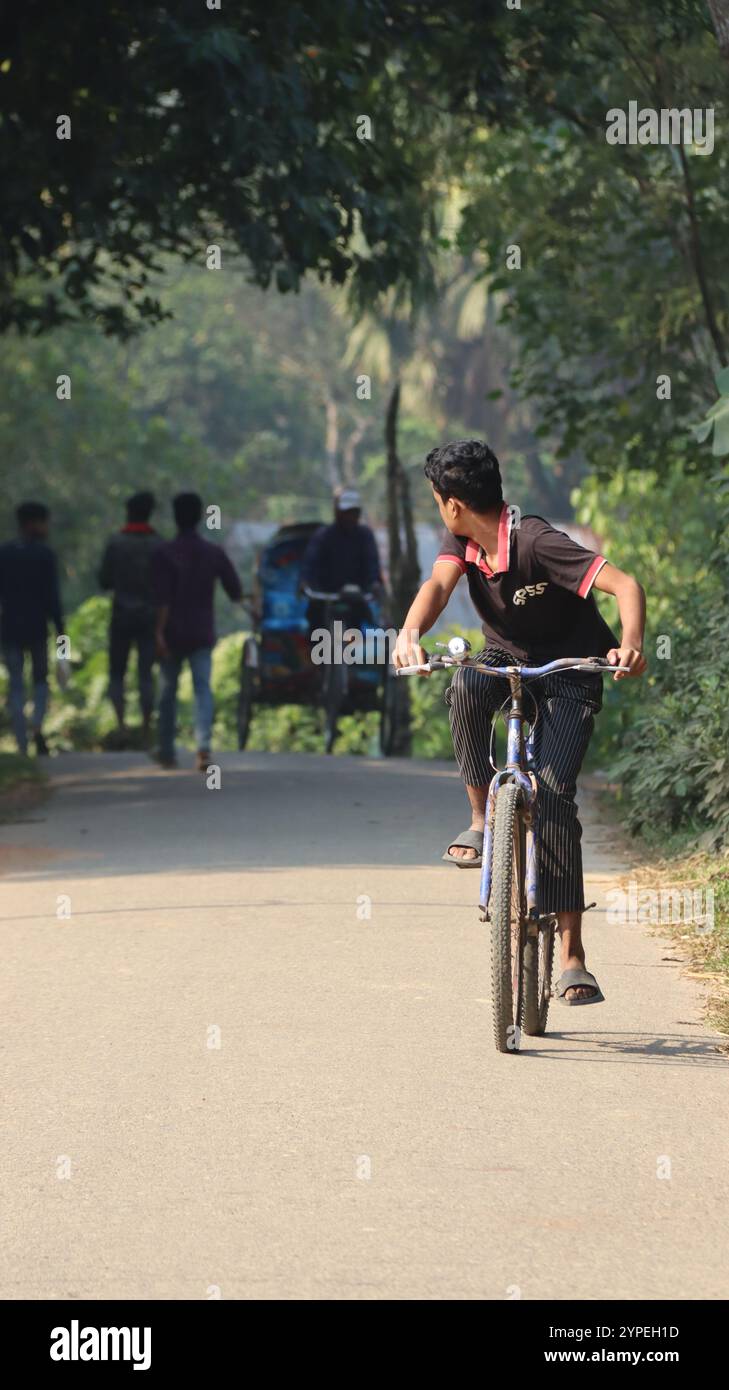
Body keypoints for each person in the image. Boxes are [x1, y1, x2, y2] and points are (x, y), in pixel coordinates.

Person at [393, 438, 647, 1005]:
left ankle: (572, 956)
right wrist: (409, 635)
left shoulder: (535, 541)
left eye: (437, 499)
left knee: (555, 796)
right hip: (506, 657)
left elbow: (626, 585)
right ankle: (482, 819)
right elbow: (437, 586)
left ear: (452, 502)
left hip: (570, 668)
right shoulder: (461, 541)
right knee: (465, 683)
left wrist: (629, 646)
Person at [152, 492, 242, 770]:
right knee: (202, 689)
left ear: (175, 517)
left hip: (172, 632)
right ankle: (203, 747)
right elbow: (235, 591)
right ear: (201, 516)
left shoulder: (164, 553)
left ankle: (166, 750)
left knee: (168, 691)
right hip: (202, 632)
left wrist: (158, 632)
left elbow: (162, 599)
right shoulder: (213, 553)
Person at [0, 502, 64, 756]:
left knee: (16, 684)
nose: (47, 527)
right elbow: (54, 600)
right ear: (32, 523)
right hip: (38, 629)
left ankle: (21, 743)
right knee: (40, 681)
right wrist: (62, 637)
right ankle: (37, 723)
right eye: (44, 522)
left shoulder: (4, 553)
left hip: (8, 629)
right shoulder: (45, 555)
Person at [99, 491, 161, 743]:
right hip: (149, 617)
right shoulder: (159, 544)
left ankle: (122, 726)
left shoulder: (116, 543)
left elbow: (104, 581)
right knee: (146, 674)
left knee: (117, 672)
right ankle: (146, 729)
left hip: (121, 614)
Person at [300, 486, 382, 632]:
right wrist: (305, 581)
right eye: (347, 512)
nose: (351, 516)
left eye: (354, 512)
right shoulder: (323, 536)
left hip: (356, 602)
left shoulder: (365, 536)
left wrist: (374, 583)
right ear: (337, 512)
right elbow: (309, 564)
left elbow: (372, 564)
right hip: (324, 601)